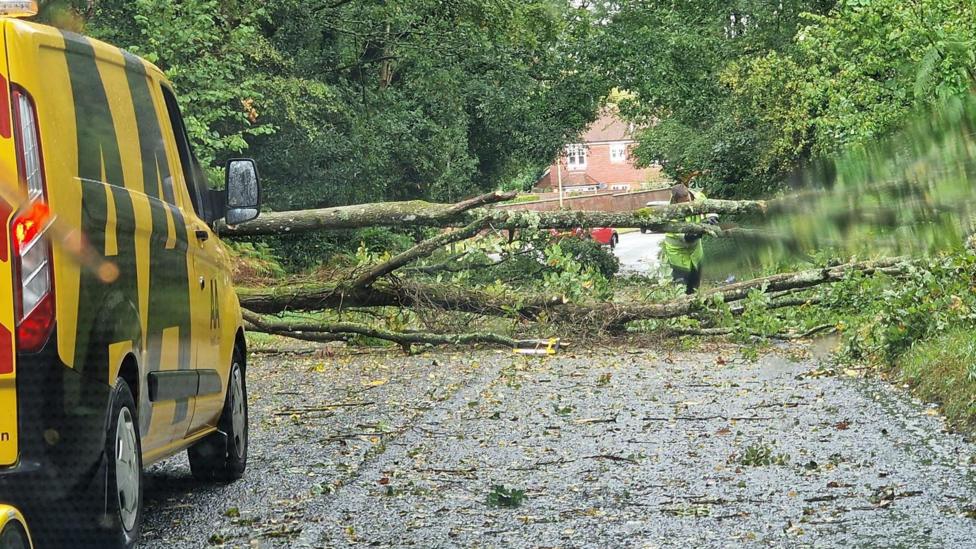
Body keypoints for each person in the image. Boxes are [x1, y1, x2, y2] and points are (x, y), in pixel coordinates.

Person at [664, 183, 717, 294]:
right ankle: (681, 305)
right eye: (683, 203)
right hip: (677, 250)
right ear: (676, 200)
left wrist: (711, 217)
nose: (687, 205)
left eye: (688, 200)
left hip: (695, 248)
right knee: (681, 282)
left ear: (689, 194)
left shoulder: (698, 197)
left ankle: (694, 304)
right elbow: (684, 236)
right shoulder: (670, 212)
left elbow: (709, 207)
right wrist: (697, 232)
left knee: (695, 281)